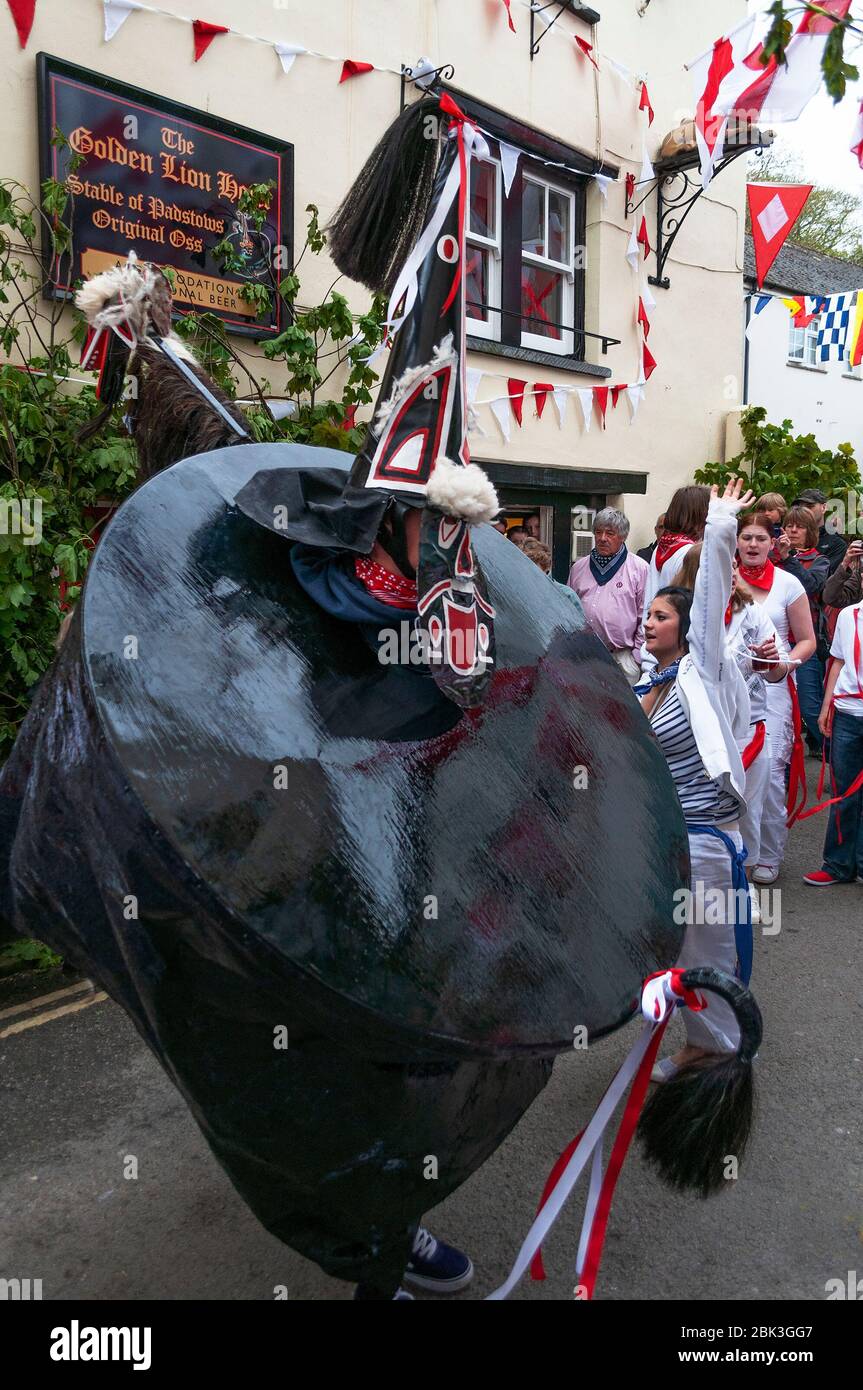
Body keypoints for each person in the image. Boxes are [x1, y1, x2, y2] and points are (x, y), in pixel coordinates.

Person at [636, 479, 754, 1080]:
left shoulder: (698, 672)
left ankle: (715, 1048)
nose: (647, 622)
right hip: (669, 838)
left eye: (658, 615)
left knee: (706, 947)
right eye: (645, 614)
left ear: (683, 630)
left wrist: (720, 528)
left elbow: (707, 599)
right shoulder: (640, 684)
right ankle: (699, 1035)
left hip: (707, 836)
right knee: (675, 944)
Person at [677, 544, 789, 921]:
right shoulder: (678, 613)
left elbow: (779, 667)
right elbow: (654, 658)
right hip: (694, 732)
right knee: (697, 812)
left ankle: (744, 884)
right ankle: (690, 885)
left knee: (748, 810)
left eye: (731, 567)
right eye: (720, 568)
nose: (732, 574)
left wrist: (770, 662)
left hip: (747, 731)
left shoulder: (753, 612)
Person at [736, 511, 816, 885]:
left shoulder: (787, 585)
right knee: (732, 769)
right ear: (736, 541)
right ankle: (734, 850)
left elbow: (807, 640)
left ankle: (768, 853)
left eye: (760, 539)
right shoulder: (721, 579)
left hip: (774, 688)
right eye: (747, 537)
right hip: (730, 688)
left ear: (773, 543)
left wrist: (784, 662)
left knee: (769, 775)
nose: (753, 545)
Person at [802, 597, 863, 886]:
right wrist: (827, 707)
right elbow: (838, 662)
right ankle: (838, 864)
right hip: (848, 713)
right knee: (842, 791)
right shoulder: (850, 614)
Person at [568, 507, 648, 684]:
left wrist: (635, 659)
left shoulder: (639, 569)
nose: (602, 538)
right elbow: (568, 610)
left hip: (622, 658)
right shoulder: (578, 568)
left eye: (610, 533)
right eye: (598, 532)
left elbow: (646, 615)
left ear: (623, 536)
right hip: (584, 657)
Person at [776, 505, 830, 755]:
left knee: (810, 707)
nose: (793, 530)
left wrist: (788, 559)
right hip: (774, 641)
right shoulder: (771, 556)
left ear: (810, 531)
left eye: (799, 526)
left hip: (803, 643)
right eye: (789, 525)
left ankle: (836, 756)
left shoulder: (820, 560)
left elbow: (810, 586)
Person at [642, 485, 710, 627]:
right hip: (677, 636)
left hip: (655, 629)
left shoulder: (662, 546)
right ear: (700, 514)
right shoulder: (691, 552)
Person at [791, 487, 847, 574]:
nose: (804, 511)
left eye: (810, 506)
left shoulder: (836, 543)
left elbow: (826, 579)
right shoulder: (790, 537)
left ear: (824, 508)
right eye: (800, 507)